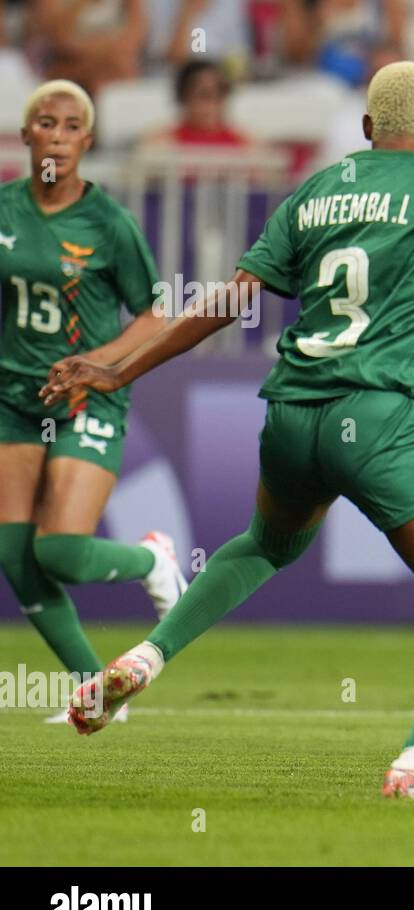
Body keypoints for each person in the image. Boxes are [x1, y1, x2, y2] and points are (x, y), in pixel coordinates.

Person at [41, 62, 414, 801]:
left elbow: (226, 300)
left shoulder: (316, 192)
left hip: (292, 413)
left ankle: (149, 655)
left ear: (366, 130)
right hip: (379, 418)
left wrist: (120, 371)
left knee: (267, 544)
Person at [0, 80, 188, 726]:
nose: (57, 134)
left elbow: (154, 318)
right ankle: (97, 692)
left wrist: (94, 366)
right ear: (25, 136)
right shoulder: (4, 211)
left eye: (71, 125)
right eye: (44, 122)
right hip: (15, 399)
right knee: (13, 556)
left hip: (86, 397)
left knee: (57, 552)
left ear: (88, 140)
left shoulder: (108, 223)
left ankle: (151, 560)